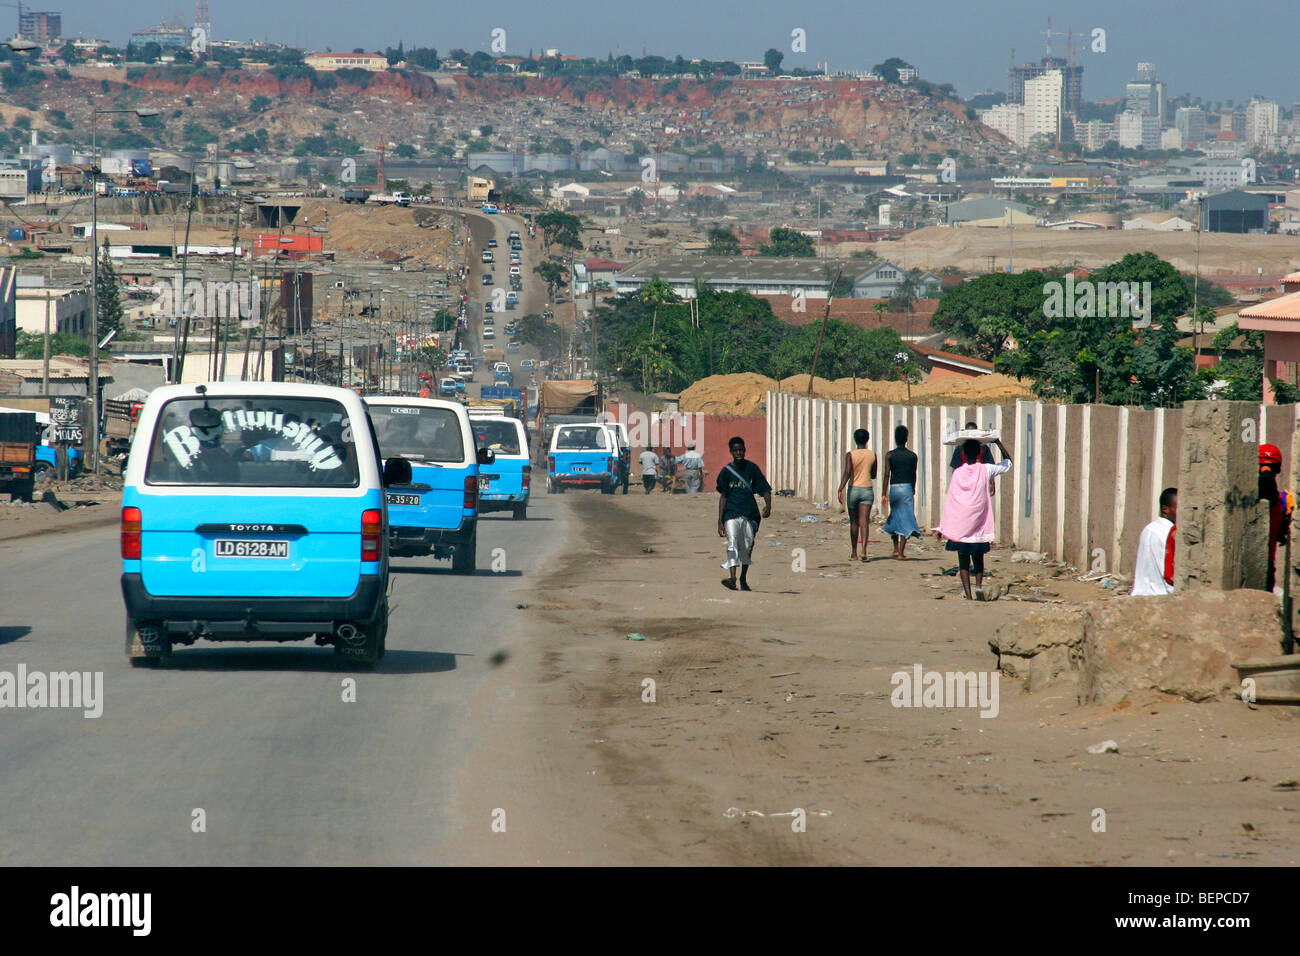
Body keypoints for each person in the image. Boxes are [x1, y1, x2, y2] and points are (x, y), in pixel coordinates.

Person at [937, 437, 1012, 600]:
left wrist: (944, 526)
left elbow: (952, 500)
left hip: (962, 524)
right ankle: (978, 587)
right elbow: (1008, 463)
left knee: (963, 560)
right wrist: (998, 442)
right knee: (978, 558)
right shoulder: (986, 469)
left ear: (963, 454)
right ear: (980, 452)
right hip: (978, 523)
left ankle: (969, 594)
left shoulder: (957, 472)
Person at [717, 436, 772, 591]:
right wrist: (720, 521)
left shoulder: (752, 469)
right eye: (735, 450)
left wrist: (768, 505)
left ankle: (743, 578)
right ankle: (732, 578)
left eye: (741, 449)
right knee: (732, 543)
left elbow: (765, 489)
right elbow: (723, 496)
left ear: (745, 450)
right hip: (731, 513)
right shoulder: (726, 472)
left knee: (747, 546)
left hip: (749, 513)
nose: (739, 453)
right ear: (731, 452)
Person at [836, 428, 877, 561]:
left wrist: (840, 488)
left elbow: (847, 472)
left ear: (855, 439)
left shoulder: (850, 455)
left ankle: (854, 553)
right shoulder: (872, 454)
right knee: (864, 521)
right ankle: (864, 551)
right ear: (867, 439)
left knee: (854, 522)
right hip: (867, 490)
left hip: (854, 490)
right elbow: (874, 474)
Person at [881, 424, 920, 559]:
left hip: (894, 488)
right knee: (906, 518)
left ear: (895, 438)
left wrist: (883, 493)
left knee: (895, 516)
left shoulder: (890, 455)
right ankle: (902, 552)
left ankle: (895, 549)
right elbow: (913, 474)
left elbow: (887, 474)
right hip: (907, 487)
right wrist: (913, 488)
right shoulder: (912, 456)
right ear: (906, 438)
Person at [1259, 444, 1293, 593]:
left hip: (1262, 561)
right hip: (1266, 561)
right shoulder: (1284, 500)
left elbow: (1266, 482)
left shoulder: (1281, 500)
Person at [1131, 487, 1177, 596]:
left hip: (1141, 595)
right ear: (1165, 509)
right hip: (1160, 596)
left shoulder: (1149, 529)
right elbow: (1167, 572)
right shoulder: (1169, 534)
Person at [949, 421, 998, 498]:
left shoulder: (984, 448)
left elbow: (990, 466)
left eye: (973, 432)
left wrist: (992, 483)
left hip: (980, 481)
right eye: (969, 432)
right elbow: (955, 469)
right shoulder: (959, 449)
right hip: (965, 483)